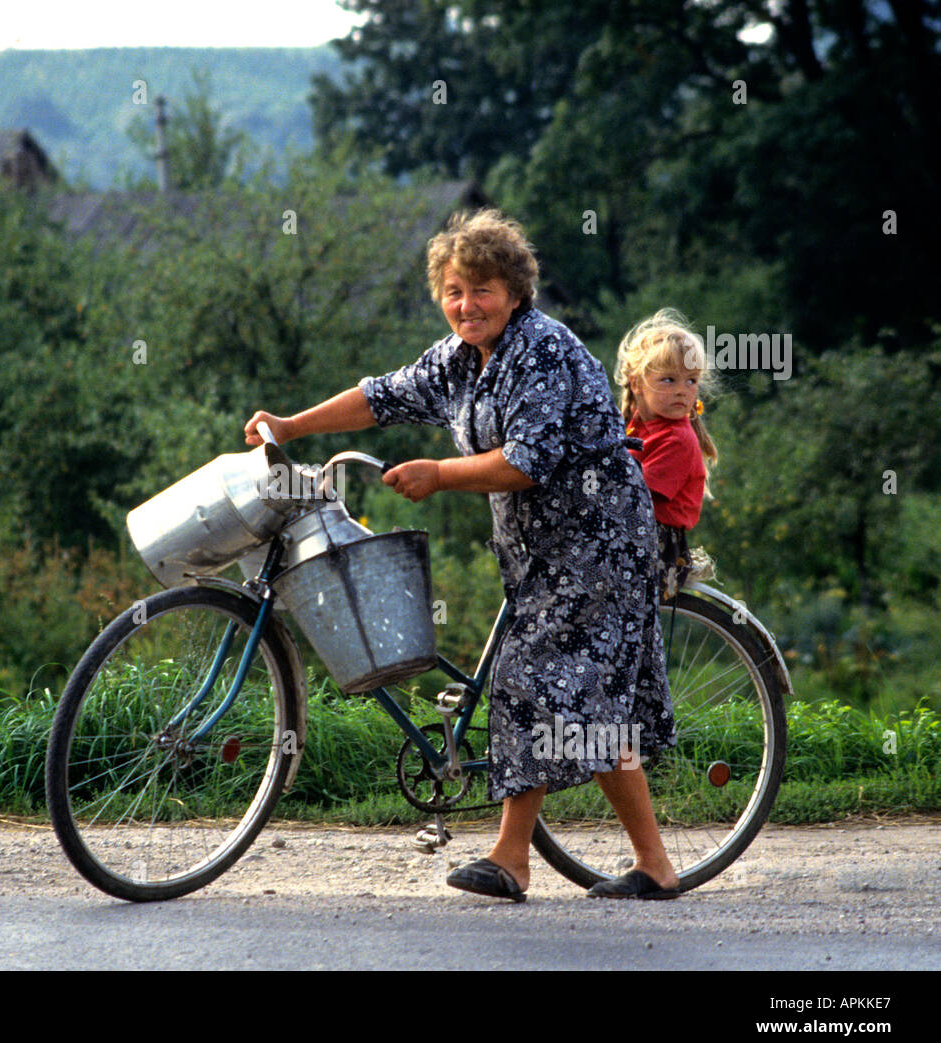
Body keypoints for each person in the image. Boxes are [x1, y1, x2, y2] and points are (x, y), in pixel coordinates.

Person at [244, 209, 682, 901]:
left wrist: (438, 473)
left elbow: (530, 460)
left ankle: (511, 858)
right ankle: (655, 864)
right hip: (535, 546)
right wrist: (292, 424)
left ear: (513, 292)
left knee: (529, 678)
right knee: (586, 701)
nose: (465, 304)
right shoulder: (458, 359)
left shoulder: (539, 349)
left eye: (480, 289)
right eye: (453, 291)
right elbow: (381, 396)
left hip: (598, 540)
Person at [614, 310, 718, 600]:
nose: (683, 391)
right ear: (636, 384)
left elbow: (637, 493)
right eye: (669, 380)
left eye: (691, 381)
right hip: (634, 533)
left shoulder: (679, 440)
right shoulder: (637, 425)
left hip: (656, 547)